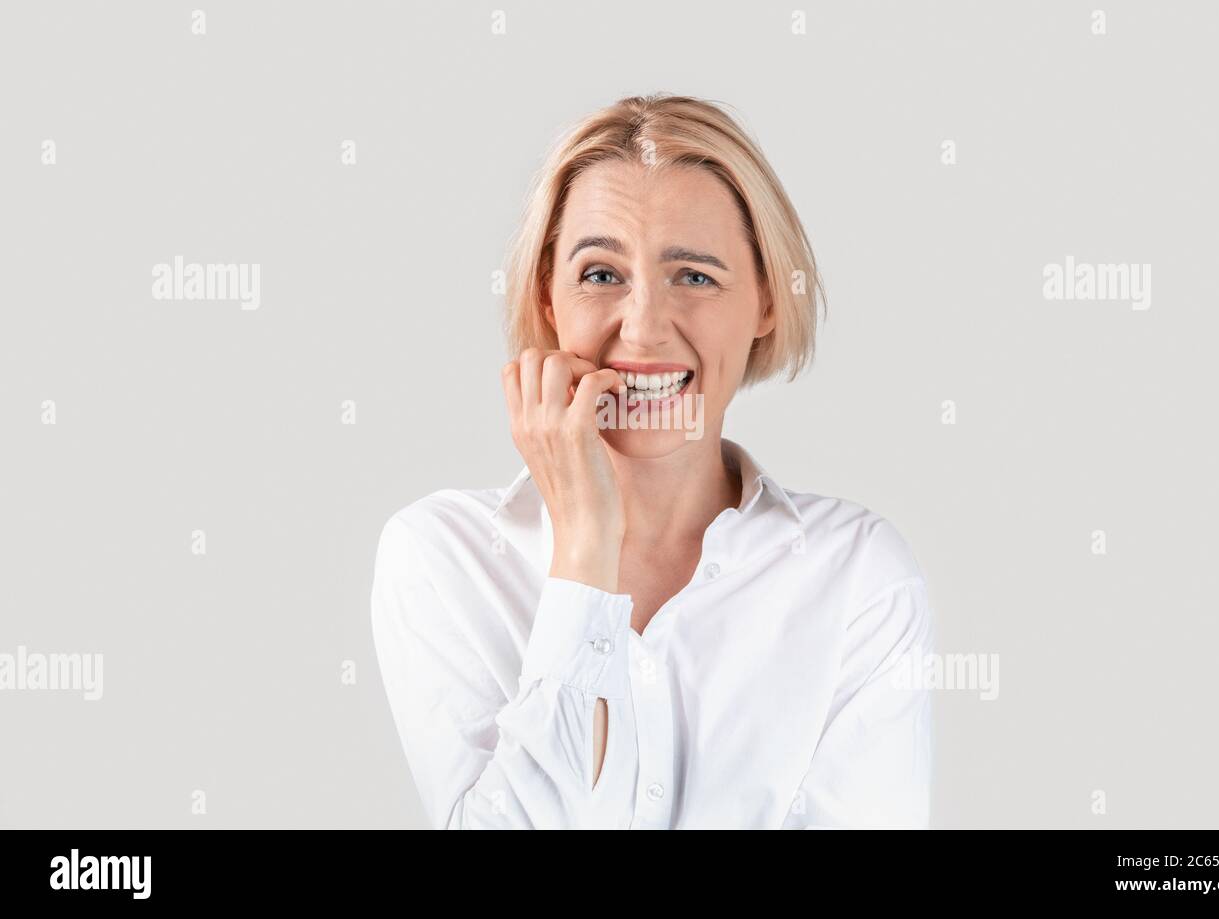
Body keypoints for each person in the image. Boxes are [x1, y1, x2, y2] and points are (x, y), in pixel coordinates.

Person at [370, 94, 935, 829]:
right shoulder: (442, 557)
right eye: (601, 274)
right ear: (548, 295)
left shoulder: (857, 577)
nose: (642, 326)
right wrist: (584, 549)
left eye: (694, 276)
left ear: (766, 299)